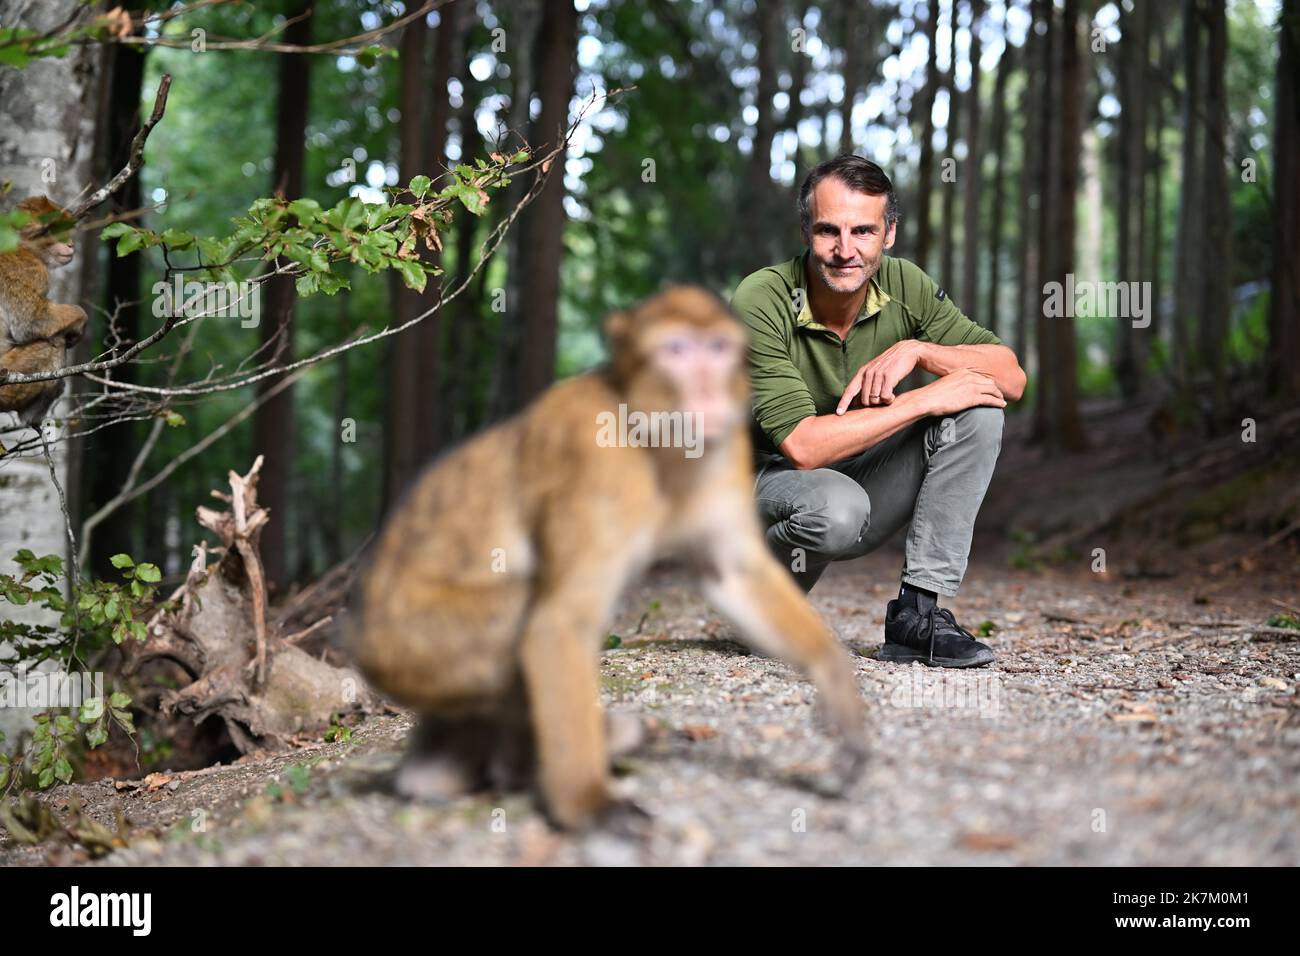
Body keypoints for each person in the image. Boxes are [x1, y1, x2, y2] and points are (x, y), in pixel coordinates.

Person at [730, 155, 1027, 668]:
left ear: (888, 234)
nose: (846, 251)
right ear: (805, 230)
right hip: (761, 482)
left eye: (863, 230)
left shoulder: (904, 285)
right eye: (829, 231)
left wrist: (922, 352)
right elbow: (803, 448)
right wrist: (926, 397)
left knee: (978, 410)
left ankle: (916, 615)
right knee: (835, 508)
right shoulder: (763, 297)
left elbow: (1011, 378)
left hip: (856, 473)